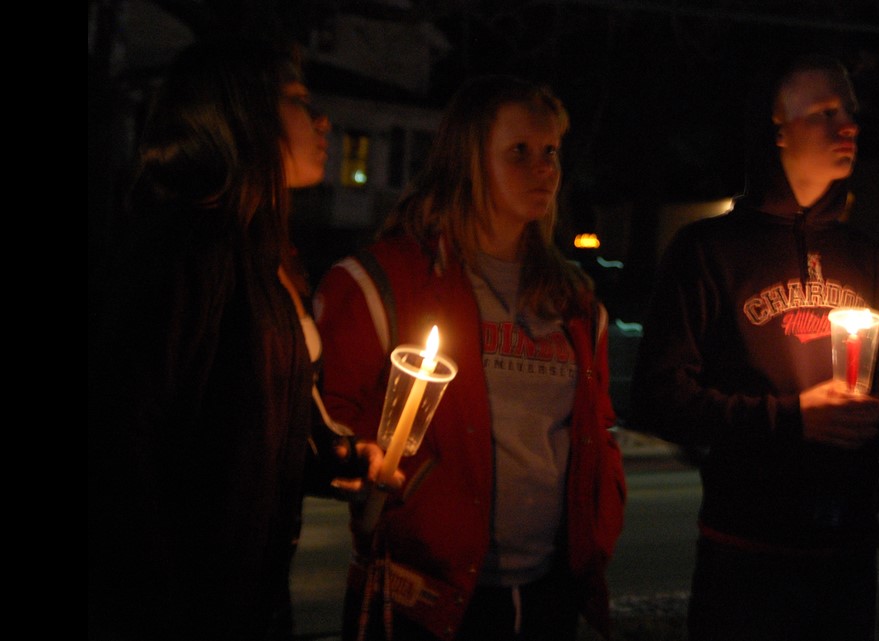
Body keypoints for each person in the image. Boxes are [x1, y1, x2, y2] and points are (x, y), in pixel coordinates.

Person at [88, 37, 394, 641]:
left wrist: (339, 460)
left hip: (252, 601)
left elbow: (249, 425)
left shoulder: (265, 259)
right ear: (242, 112)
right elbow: (122, 441)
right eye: (299, 100)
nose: (322, 119)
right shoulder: (185, 253)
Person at [313, 74, 626, 641]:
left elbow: (595, 429)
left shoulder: (575, 303)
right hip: (424, 598)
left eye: (551, 151)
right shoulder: (384, 284)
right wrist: (392, 485)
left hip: (549, 596)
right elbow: (329, 419)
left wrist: (597, 528)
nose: (544, 168)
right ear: (468, 160)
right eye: (520, 153)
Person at [629, 53, 879, 641]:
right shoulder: (709, 252)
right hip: (745, 556)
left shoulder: (869, 259)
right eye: (826, 112)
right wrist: (792, 419)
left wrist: (869, 419)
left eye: (852, 112)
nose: (849, 125)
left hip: (846, 552)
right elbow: (660, 397)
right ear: (777, 129)